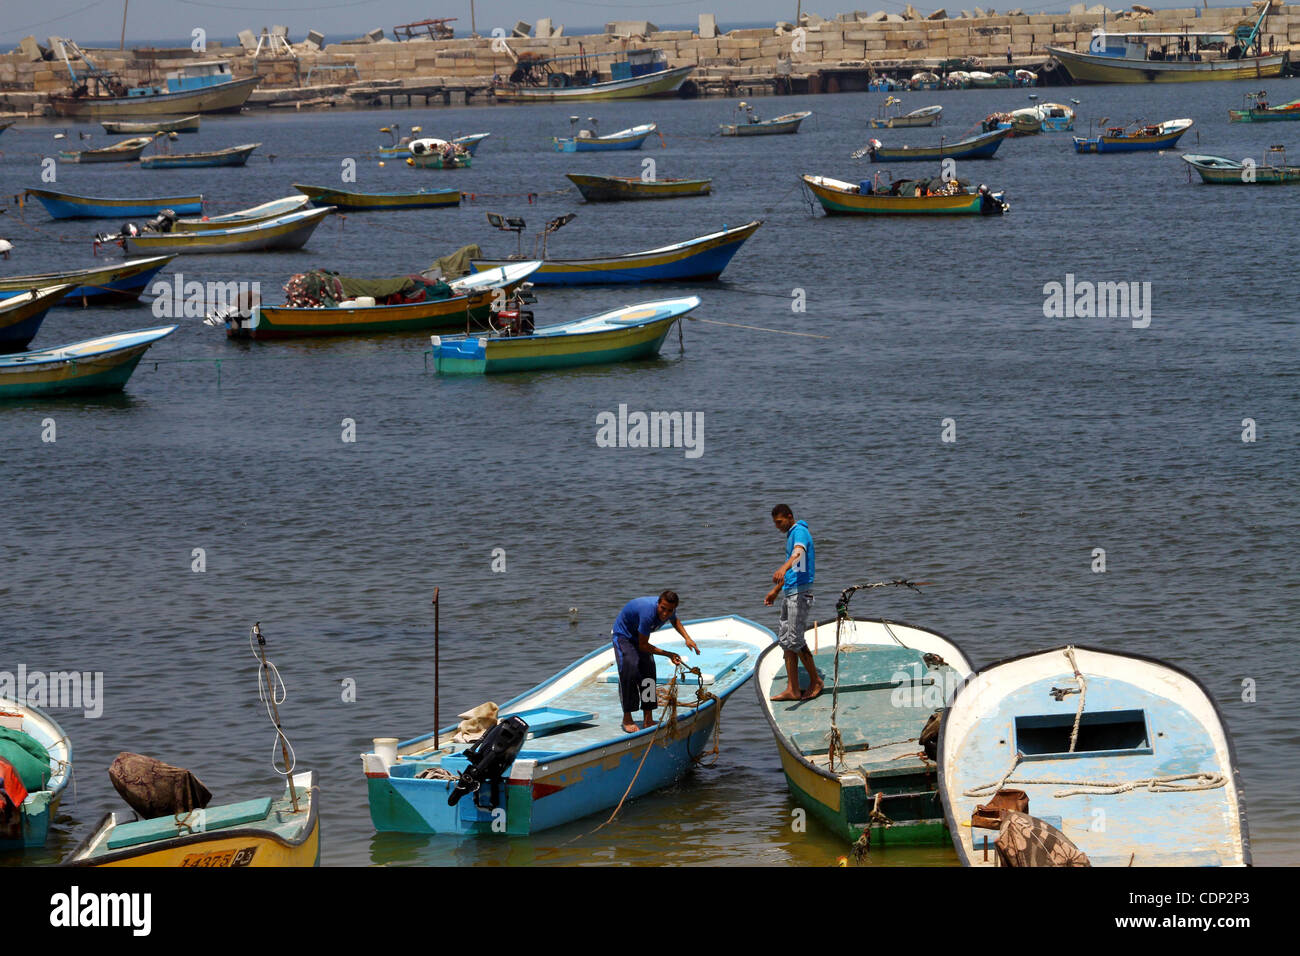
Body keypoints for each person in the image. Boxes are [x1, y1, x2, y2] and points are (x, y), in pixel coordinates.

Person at [611, 591, 699, 733]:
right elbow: (643, 646)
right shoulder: (648, 614)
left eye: (670, 610)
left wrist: (687, 638)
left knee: (648, 671)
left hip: (640, 637)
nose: (665, 613)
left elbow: (675, 621)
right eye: (663, 608)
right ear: (658, 603)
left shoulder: (670, 611)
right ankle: (627, 718)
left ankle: (648, 719)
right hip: (624, 637)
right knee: (630, 669)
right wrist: (668, 654)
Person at [764, 504, 822, 701]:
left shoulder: (800, 532)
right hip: (790, 592)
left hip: (801, 594)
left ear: (789, 516)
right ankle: (793, 689)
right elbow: (795, 566)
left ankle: (816, 682)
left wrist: (783, 566)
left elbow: (798, 553)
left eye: (779, 522)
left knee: (796, 639)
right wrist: (775, 590)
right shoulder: (790, 534)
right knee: (785, 640)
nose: (777, 526)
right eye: (775, 523)